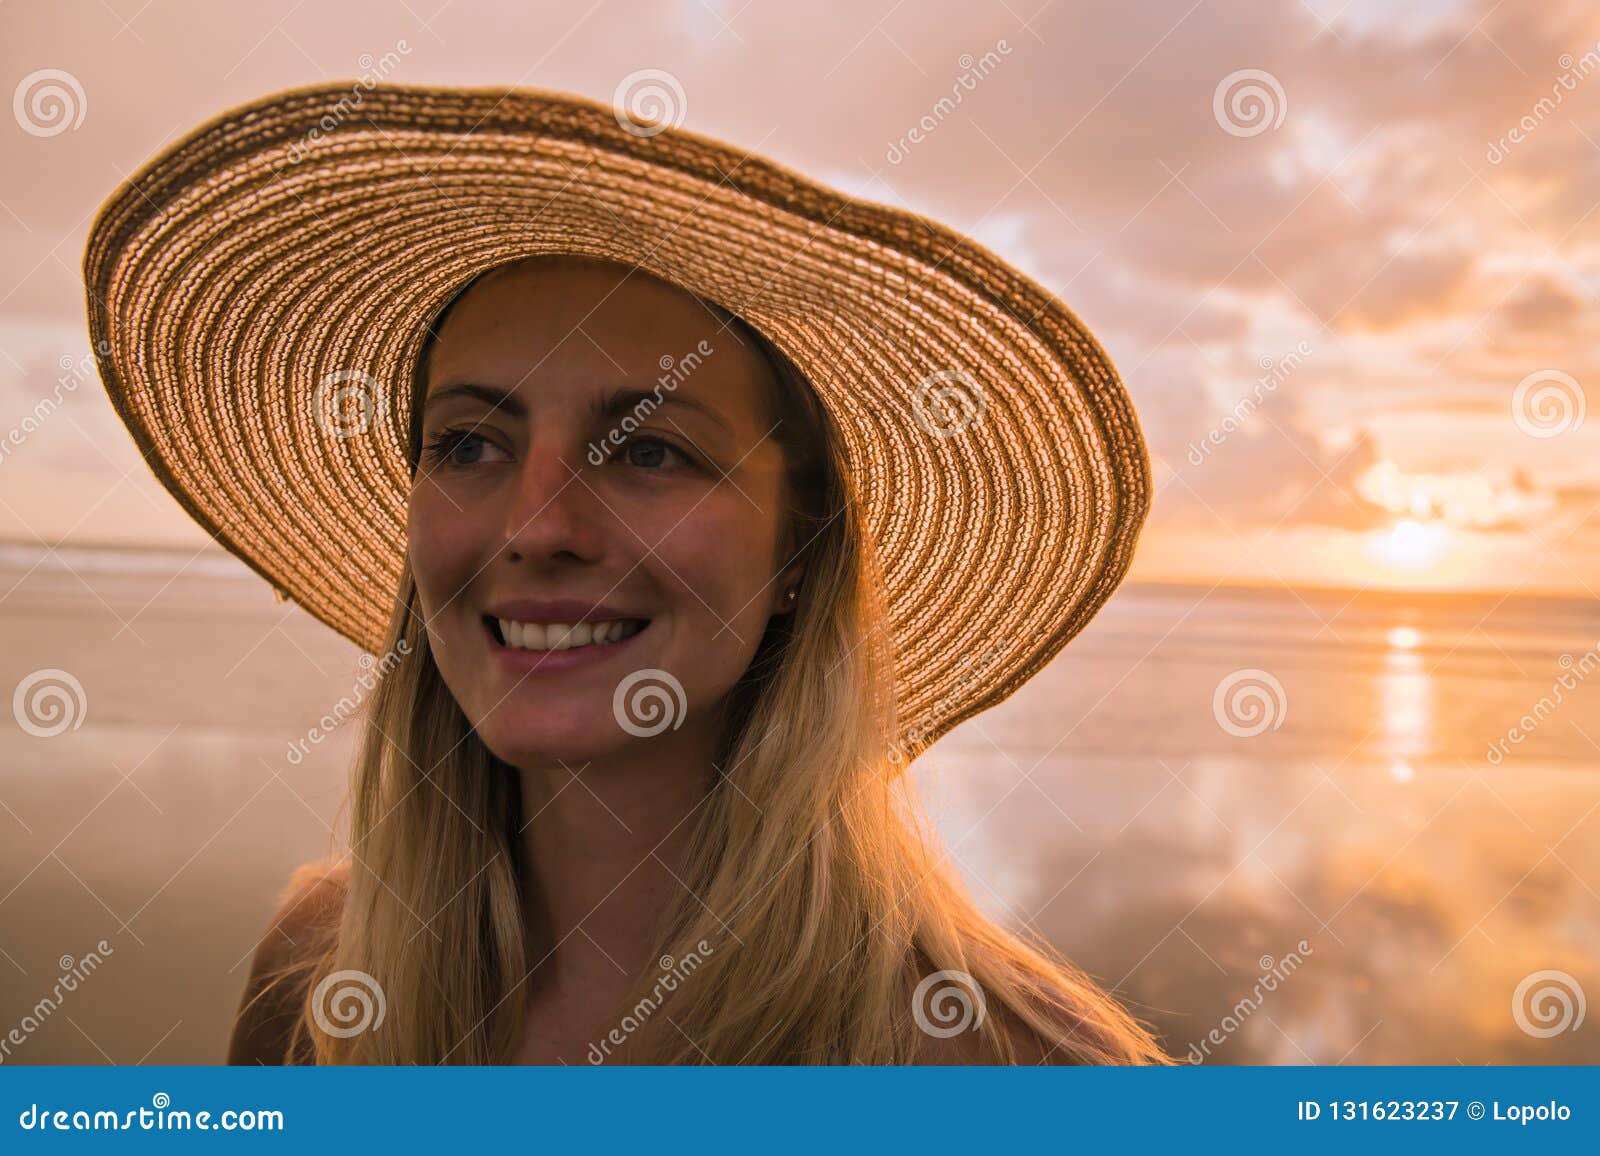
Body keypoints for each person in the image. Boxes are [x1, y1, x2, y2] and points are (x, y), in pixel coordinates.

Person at [85, 82, 1166, 1065]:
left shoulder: (1013, 1072)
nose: (538, 525)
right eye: (468, 443)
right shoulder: (323, 982)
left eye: (650, 450)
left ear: (800, 550)